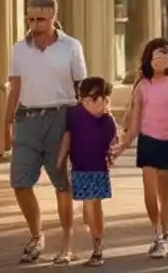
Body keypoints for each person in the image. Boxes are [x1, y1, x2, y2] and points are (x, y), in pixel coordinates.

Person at [3, 0, 87, 264]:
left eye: (41, 18)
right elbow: (14, 88)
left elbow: (81, 88)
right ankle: (37, 235)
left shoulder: (71, 46)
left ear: (53, 17)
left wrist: (83, 126)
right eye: (30, 18)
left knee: (62, 183)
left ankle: (67, 244)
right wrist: (5, 124)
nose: (35, 23)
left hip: (60, 118)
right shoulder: (18, 49)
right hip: (27, 119)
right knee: (20, 182)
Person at [117, 38, 168, 258]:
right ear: (149, 60)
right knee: (148, 193)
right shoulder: (143, 86)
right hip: (147, 142)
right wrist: (122, 145)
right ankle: (157, 232)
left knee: (164, 194)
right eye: (155, 57)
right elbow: (134, 124)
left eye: (164, 57)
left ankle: (164, 235)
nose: (159, 60)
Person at [56, 77, 119, 267]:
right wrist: (60, 158)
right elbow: (68, 136)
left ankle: (97, 246)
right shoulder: (73, 114)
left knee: (93, 206)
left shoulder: (108, 121)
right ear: (83, 99)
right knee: (86, 205)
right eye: (95, 98)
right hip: (78, 169)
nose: (101, 102)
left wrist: (113, 154)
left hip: (97, 171)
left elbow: (113, 145)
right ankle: (94, 243)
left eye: (105, 98)